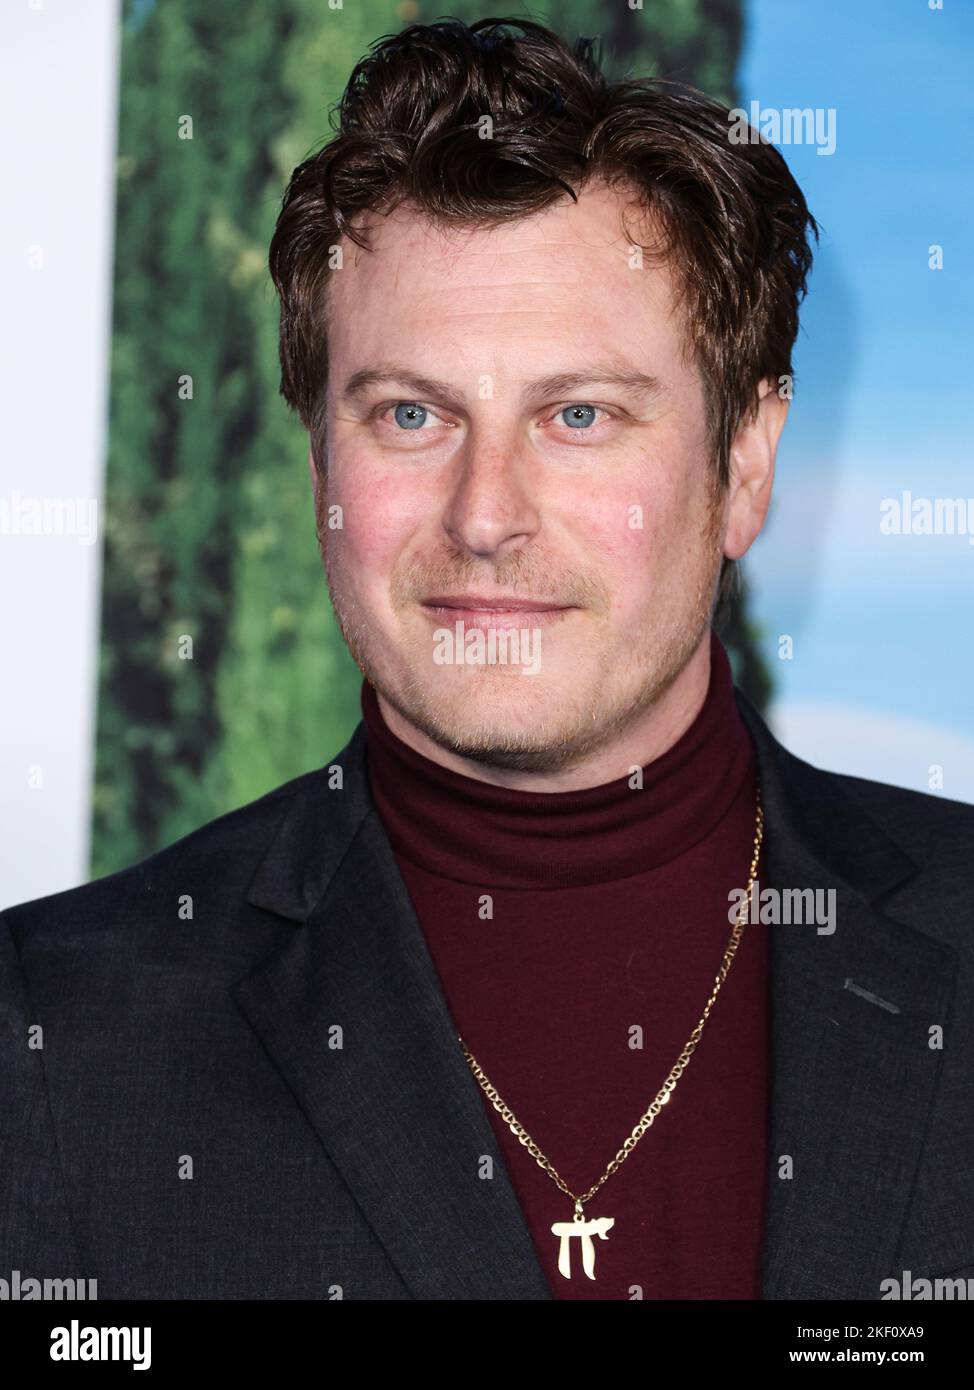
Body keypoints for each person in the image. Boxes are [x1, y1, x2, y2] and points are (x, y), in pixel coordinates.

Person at [2, 16, 972, 1302]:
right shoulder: (50, 1044)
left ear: (743, 463)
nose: (483, 513)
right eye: (410, 414)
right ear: (319, 467)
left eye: (578, 415)